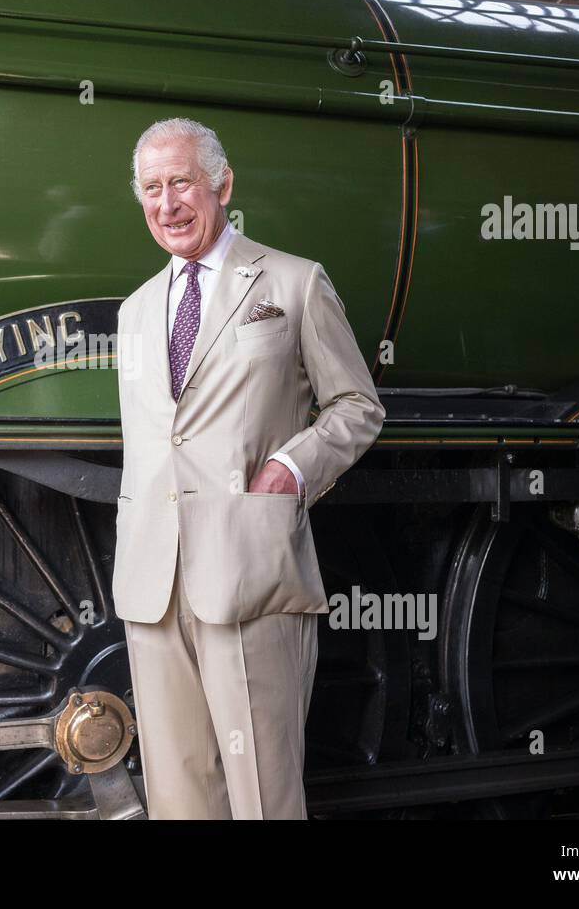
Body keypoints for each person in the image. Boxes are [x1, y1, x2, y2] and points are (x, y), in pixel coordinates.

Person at [113, 117, 385, 819]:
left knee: (264, 798)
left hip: (250, 570)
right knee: (178, 800)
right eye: (151, 189)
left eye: (181, 183)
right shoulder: (135, 312)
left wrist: (290, 469)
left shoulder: (294, 282)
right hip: (152, 584)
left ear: (223, 185)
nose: (167, 204)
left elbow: (358, 406)